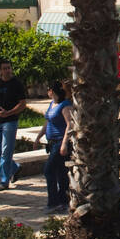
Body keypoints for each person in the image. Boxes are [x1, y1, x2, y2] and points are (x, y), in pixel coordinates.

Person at [0, 58, 27, 191]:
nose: (7, 70)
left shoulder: (17, 84)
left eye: (9, 68)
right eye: (4, 68)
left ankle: (4, 180)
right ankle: (14, 168)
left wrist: (9, 113)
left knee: (6, 152)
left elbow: (22, 104)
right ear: (0, 70)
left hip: (10, 122)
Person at [36, 81, 72, 213]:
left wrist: (64, 143)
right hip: (51, 142)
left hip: (59, 142)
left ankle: (54, 202)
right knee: (60, 172)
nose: (47, 92)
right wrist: (39, 137)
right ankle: (63, 200)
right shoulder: (52, 104)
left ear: (52, 90)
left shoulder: (65, 105)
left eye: (48, 89)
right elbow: (47, 122)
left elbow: (70, 124)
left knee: (48, 170)